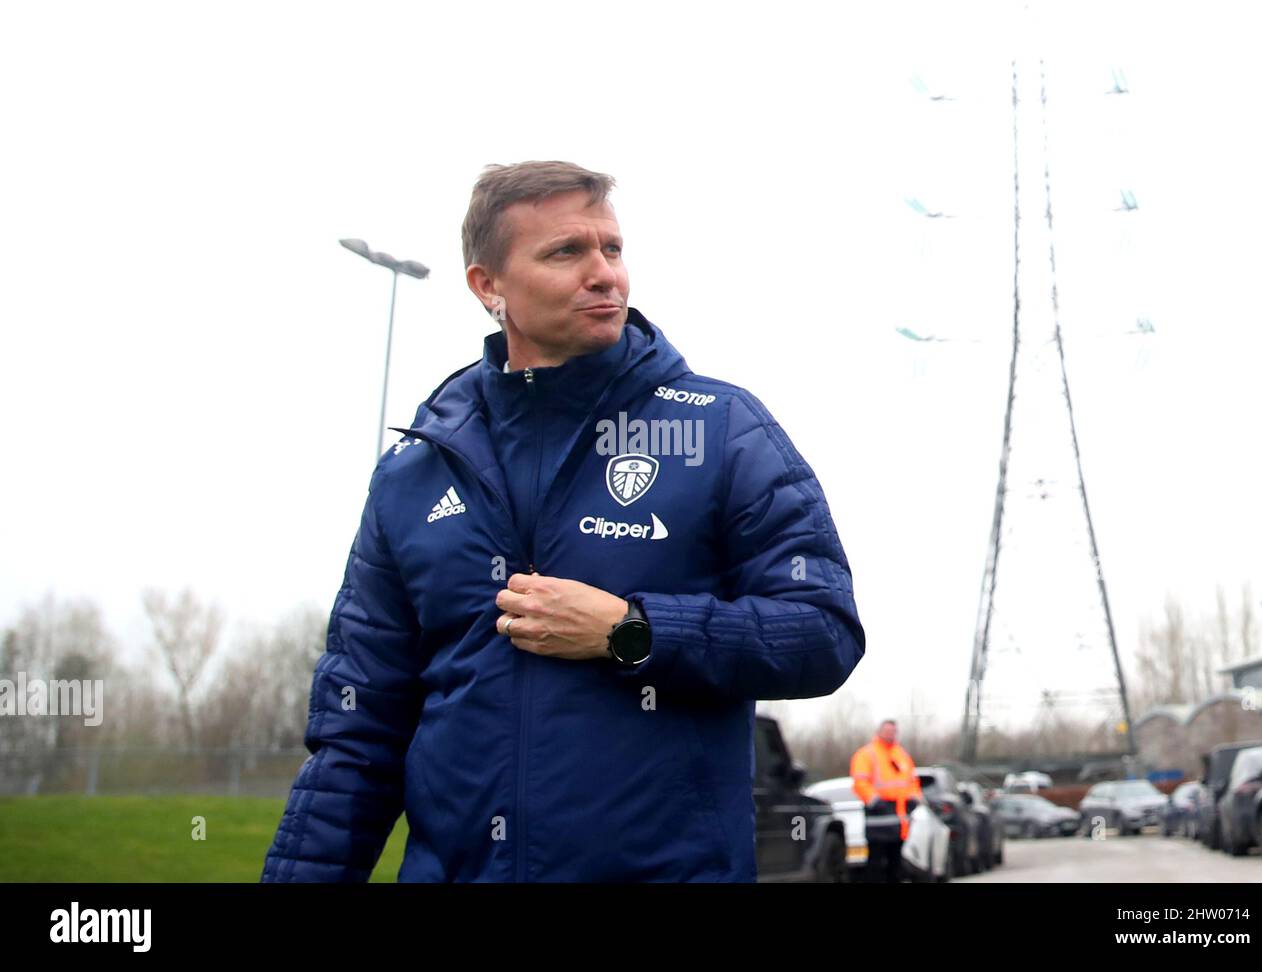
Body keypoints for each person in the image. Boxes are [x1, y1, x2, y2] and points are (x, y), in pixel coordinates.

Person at [261, 160, 865, 882]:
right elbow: (358, 738)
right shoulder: (415, 472)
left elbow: (822, 631)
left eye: (611, 248)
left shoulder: (722, 431)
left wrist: (631, 632)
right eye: (566, 252)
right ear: (489, 287)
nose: (604, 273)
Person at [850, 719, 921, 883]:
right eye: (887, 731)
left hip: (899, 823)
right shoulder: (867, 754)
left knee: (895, 865)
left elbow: (913, 782)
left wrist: (914, 799)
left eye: (893, 731)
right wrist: (874, 800)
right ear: (879, 731)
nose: (890, 734)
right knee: (875, 863)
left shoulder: (902, 755)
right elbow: (860, 781)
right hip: (878, 819)